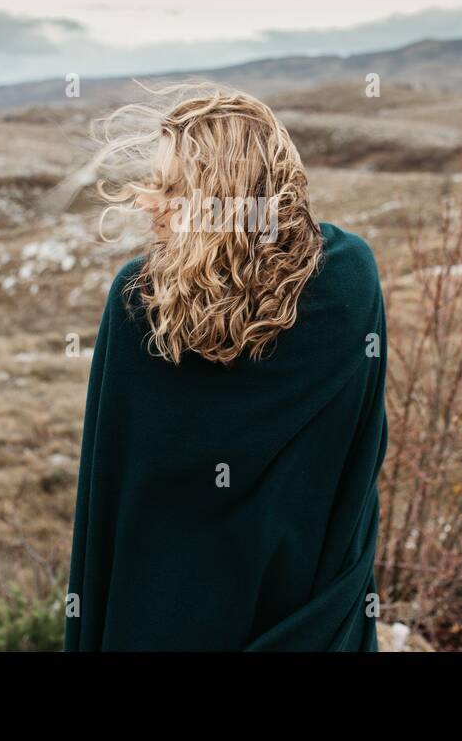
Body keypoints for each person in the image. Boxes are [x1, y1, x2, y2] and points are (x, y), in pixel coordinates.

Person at [63, 83, 388, 651]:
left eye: (168, 187)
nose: (145, 201)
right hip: (310, 622)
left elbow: (107, 504)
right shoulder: (351, 277)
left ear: (218, 196)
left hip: (160, 623)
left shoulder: (140, 303)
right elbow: (357, 469)